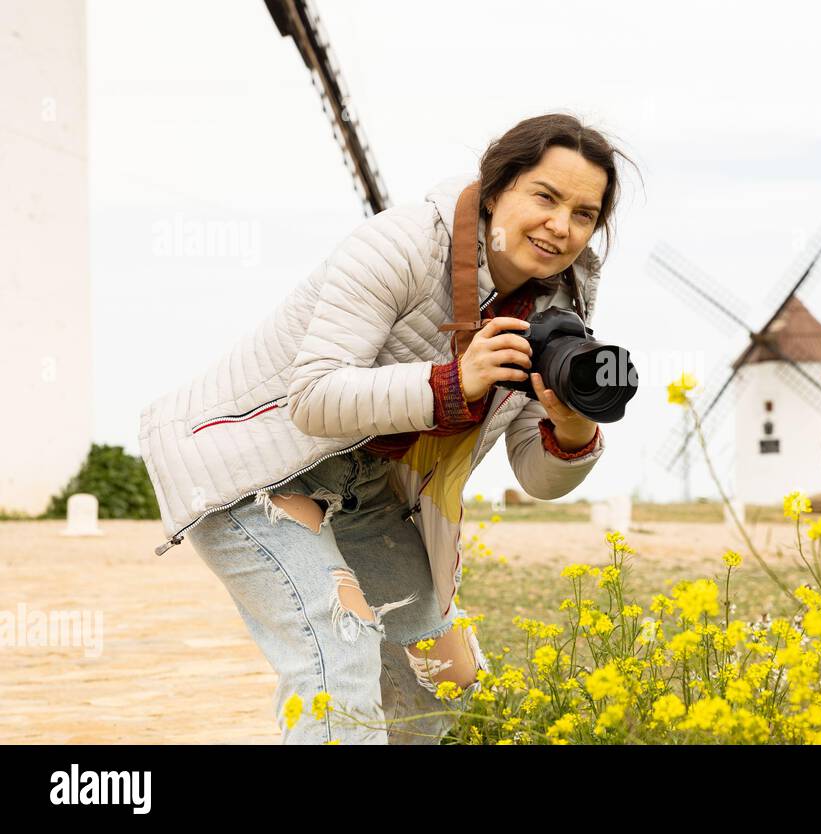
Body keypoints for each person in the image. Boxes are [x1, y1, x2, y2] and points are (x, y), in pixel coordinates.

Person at [137, 113, 635, 743]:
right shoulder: (401, 243)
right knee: (338, 655)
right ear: (494, 189)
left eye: (585, 214)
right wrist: (455, 381)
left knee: (442, 674)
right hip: (251, 469)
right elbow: (313, 397)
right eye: (545, 196)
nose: (561, 226)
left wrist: (569, 431)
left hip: (368, 488)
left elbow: (536, 478)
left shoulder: (559, 308)